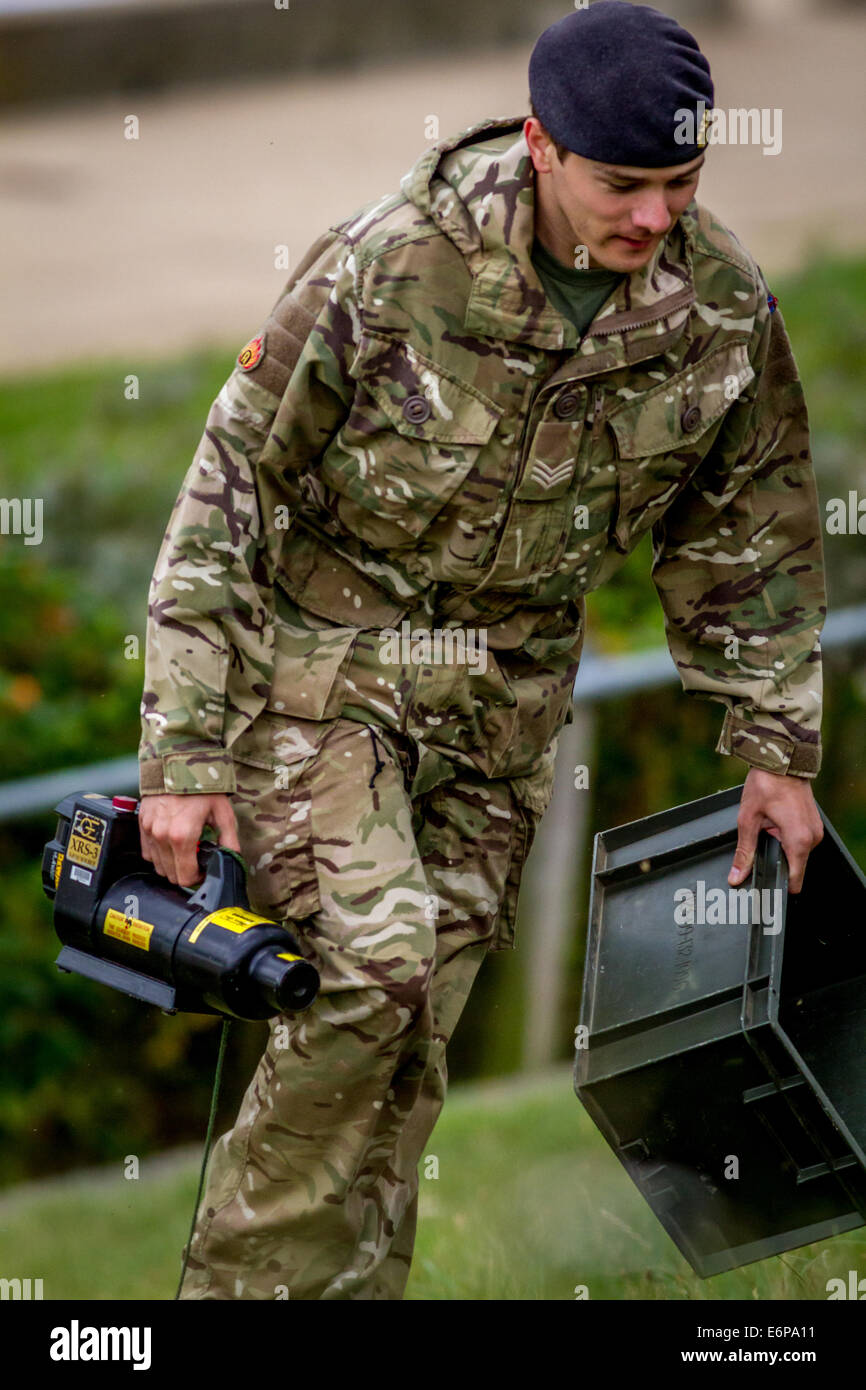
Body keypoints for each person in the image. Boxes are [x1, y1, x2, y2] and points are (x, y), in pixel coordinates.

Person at [136, 1, 826, 1299]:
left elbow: (751, 529)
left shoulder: (720, 308)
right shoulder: (393, 261)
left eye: (682, 183)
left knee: (412, 1045)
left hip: (501, 716)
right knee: (372, 973)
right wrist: (182, 751)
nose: (655, 217)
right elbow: (228, 489)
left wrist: (774, 748)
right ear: (542, 145)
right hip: (324, 672)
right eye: (623, 185)